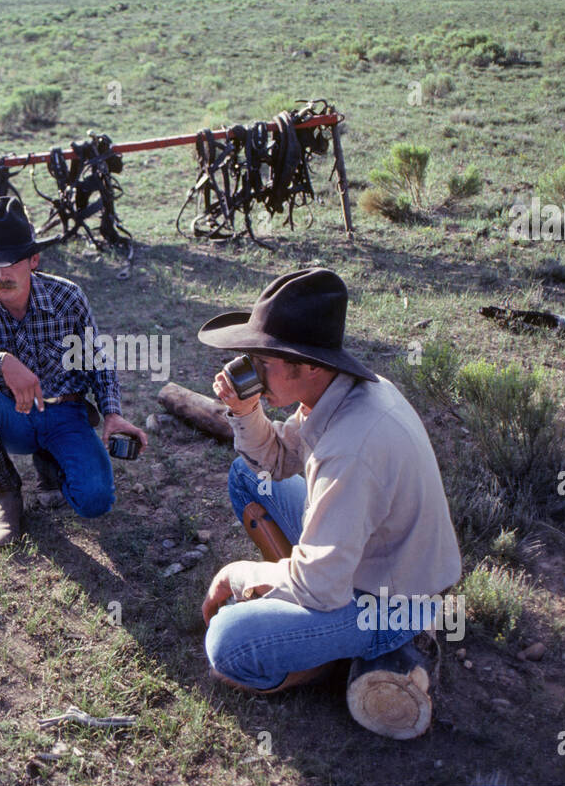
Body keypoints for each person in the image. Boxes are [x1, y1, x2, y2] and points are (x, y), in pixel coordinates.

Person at [196, 268, 462, 716]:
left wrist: (238, 574)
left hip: (389, 603)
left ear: (310, 365)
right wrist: (245, 411)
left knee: (228, 643)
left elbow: (320, 586)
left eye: (264, 361)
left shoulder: (351, 449)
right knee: (248, 477)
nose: (251, 371)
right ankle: (303, 625)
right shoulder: (336, 393)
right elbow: (278, 460)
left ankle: (325, 655)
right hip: (365, 558)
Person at [0, 196, 147, 545]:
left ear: (33, 260)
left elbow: (98, 359)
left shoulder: (68, 296)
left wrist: (112, 413)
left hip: (65, 412)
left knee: (95, 501)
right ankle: (6, 495)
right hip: (11, 416)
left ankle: (53, 461)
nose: (0, 274)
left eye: (10, 263)